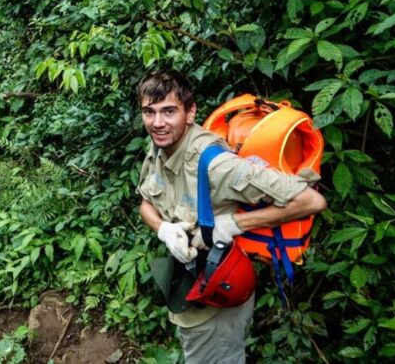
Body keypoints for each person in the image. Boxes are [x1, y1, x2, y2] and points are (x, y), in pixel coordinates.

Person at [136, 70, 326, 364]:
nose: (157, 122)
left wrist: (231, 224)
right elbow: (145, 203)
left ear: (190, 112)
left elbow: (311, 200)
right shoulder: (161, 145)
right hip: (190, 289)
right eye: (149, 112)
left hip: (219, 298)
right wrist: (163, 229)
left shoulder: (217, 166)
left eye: (168, 111)